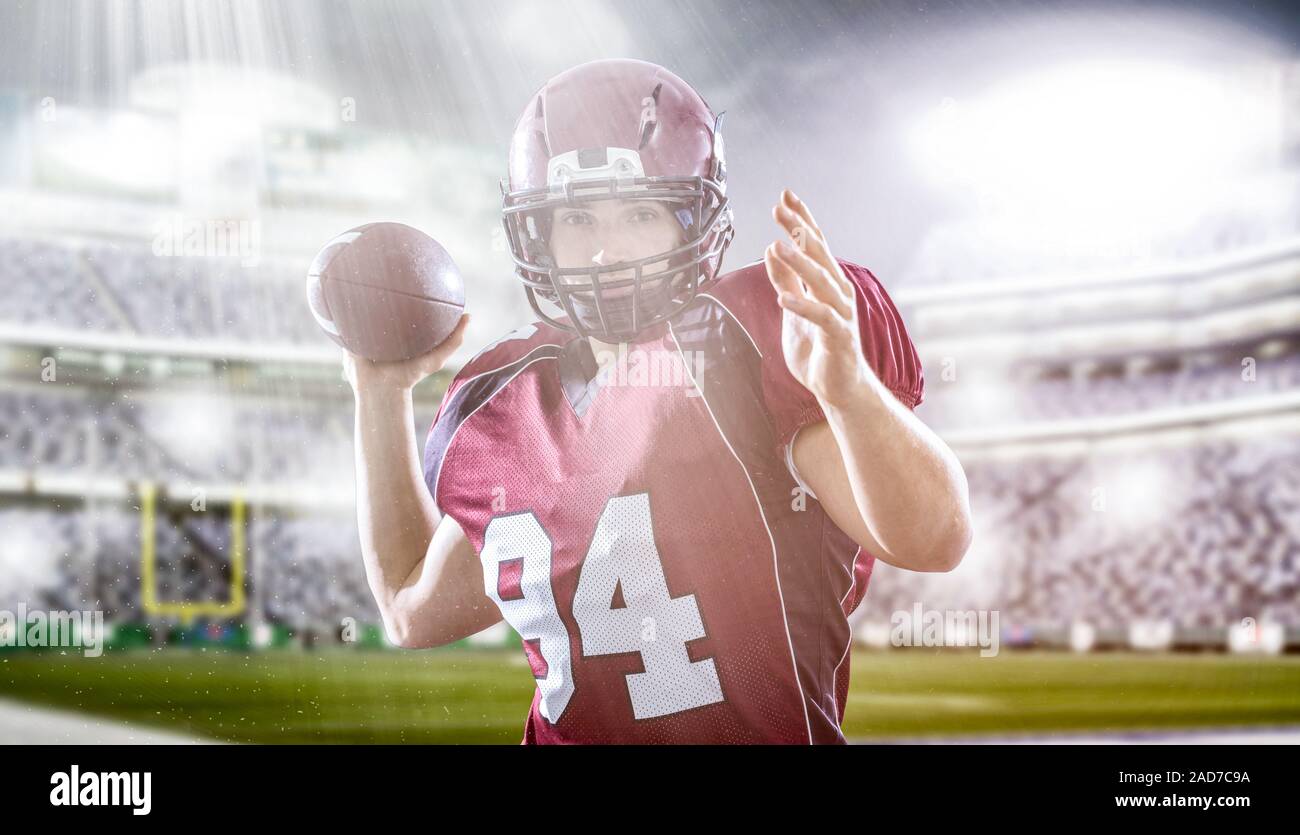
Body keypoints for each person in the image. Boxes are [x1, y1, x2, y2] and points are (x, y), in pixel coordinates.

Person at [346, 58, 972, 744]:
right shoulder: (500, 402)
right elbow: (410, 606)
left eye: (640, 212)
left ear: (691, 220)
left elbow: (934, 537)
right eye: (577, 217)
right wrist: (379, 393)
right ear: (538, 233)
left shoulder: (749, 345)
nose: (606, 251)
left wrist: (851, 394)